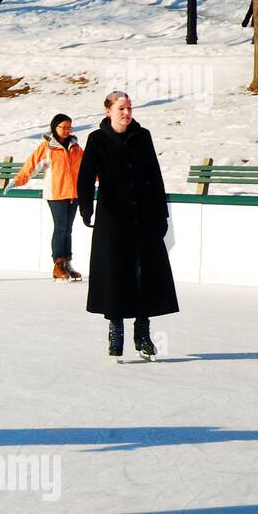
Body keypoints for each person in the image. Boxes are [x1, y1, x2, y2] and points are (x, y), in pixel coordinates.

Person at [76, 90, 179, 358]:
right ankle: (116, 329)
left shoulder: (142, 136)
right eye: (121, 108)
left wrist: (162, 214)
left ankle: (143, 332)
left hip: (144, 217)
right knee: (116, 273)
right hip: (113, 218)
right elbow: (86, 175)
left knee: (144, 274)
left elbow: (155, 176)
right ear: (108, 110)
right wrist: (86, 207)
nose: (126, 113)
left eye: (129, 108)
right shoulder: (97, 139)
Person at [14, 113, 85, 281]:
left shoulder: (75, 147)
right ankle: (58, 264)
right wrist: (19, 180)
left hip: (73, 194)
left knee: (68, 229)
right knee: (60, 228)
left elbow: (86, 167)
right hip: (56, 193)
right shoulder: (47, 147)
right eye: (64, 127)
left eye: (69, 127)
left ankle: (67, 263)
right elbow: (32, 163)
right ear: (55, 127)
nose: (67, 130)